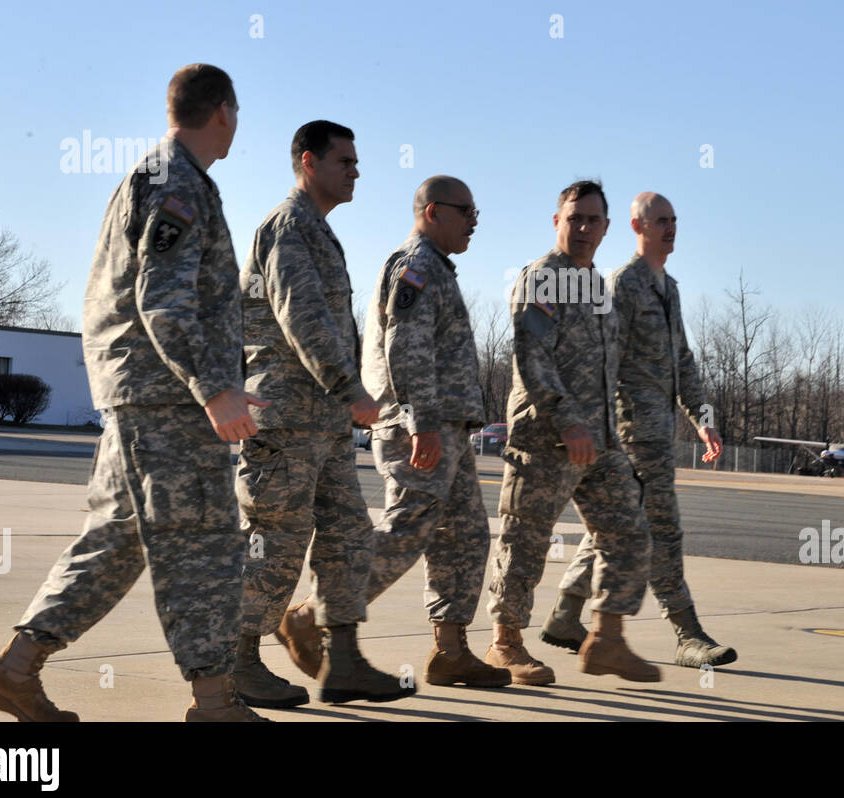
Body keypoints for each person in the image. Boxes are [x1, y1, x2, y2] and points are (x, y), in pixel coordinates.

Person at [0, 64, 270, 722]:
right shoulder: (177, 182)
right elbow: (162, 298)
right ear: (222, 111)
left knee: (117, 537)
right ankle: (215, 701)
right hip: (166, 399)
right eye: (237, 113)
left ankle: (16, 669)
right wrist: (215, 387)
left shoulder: (163, 175)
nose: (237, 126)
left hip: (146, 392)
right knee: (204, 540)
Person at [275, 176, 510, 689]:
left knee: (463, 535)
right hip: (418, 427)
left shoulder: (438, 269)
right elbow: (405, 347)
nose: (474, 220)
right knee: (407, 530)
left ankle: (450, 650)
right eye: (466, 210)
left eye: (477, 211)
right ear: (432, 211)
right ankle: (311, 614)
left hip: (445, 428)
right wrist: (420, 421)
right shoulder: (416, 266)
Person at [234, 120, 412, 707]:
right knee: (275, 543)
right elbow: (301, 316)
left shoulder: (317, 231)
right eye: (345, 161)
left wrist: (344, 402)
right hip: (287, 419)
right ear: (309, 162)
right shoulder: (289, 228)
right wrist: (351, 388)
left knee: (348, 539)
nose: (356, 171)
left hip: (325, 426)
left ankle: (345, 663)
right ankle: (234, 663)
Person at [540, 192, 734, 668]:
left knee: (616, 528)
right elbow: (603, 359)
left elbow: (683, 361)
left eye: (674, 220)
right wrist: (598, 425)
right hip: (632, 432)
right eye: (660, 221)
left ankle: (566, 614)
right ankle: (687, 634)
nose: (669, 228)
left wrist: (703, 420)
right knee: (662, 531)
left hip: (657, 429)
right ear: (635, 226)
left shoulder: (668, 286)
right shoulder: (623, 285)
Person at [485, 180, 659, 684]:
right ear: (556, 221)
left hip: (599, 443)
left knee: (628, 531)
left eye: (593, 219)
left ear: (607, 228)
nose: (583, 227)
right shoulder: (542, 278)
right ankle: (506, 642)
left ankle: (606, 640)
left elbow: (608, 368)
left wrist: (613, 429)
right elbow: (531, 356)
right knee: (525, 541)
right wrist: (568, 419)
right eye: (574, 217)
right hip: (545, 437)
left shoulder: (598, 289)